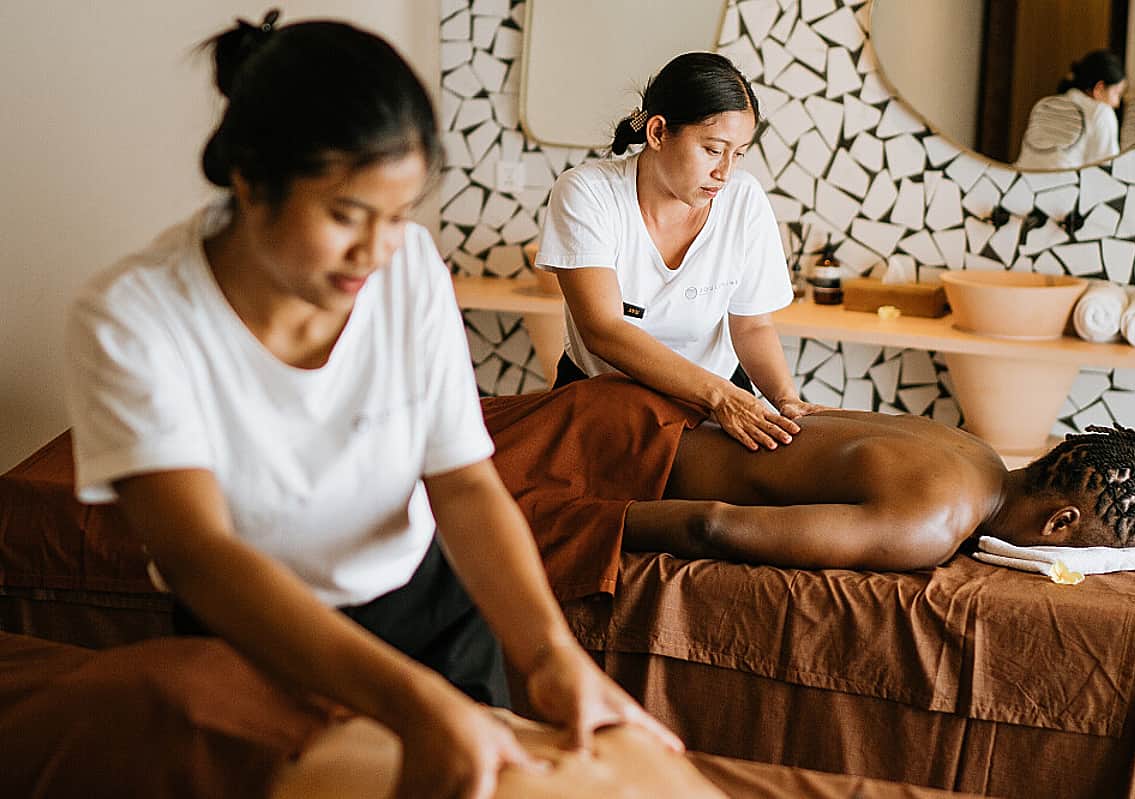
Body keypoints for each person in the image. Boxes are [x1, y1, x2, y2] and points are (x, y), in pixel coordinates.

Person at [63, 12, 679, 798]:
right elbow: (201, 558)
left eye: (398, 214)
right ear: (251, 179)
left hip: (427, 609)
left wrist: (550, 653)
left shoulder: (406, 266)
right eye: (346, 215)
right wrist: (414, 703)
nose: (377, 250)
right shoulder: (135, 318)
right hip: (257, 637)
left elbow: (462, 481)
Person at [480, 377, 1135, 594]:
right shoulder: (932, 524)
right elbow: (715, 528)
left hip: (625, 408)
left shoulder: (969, 448)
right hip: (607, 458)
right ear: (1062, 521)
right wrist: (577, 517)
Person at [535, 51, 819, 453]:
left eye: (738, 154)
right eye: (712, 149)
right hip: (606, 399)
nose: (725, 172)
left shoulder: (744, 200)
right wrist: (717, 396)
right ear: (657, 132)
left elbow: (752, 326)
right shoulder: (587, 192)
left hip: (721, 398)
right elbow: (603, 330)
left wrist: (786, 400)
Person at [1016, 50, 1126, 171]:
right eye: (1117, 93)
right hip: (1062, 186)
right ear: (1099, 88)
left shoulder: (1045, 104)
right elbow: (1106, 169)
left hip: (1022, 184)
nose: (1117, 103)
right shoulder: (1101, 112)